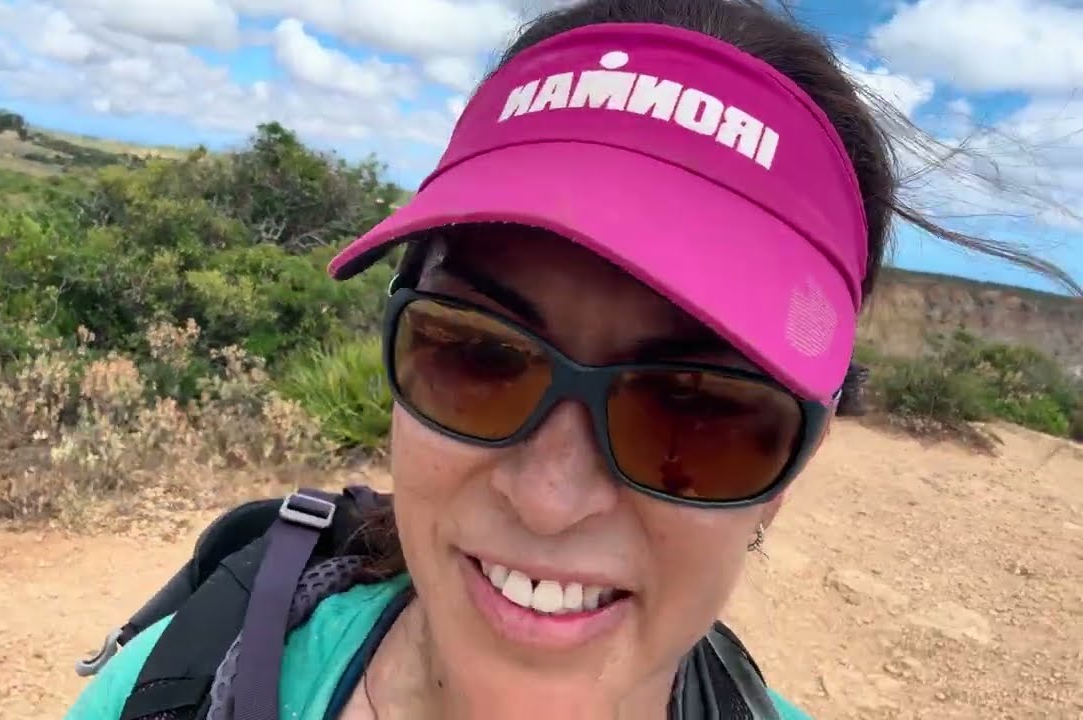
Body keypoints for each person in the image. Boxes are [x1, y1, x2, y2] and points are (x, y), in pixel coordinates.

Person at [65, 1, 1075, 719]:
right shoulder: (187, 680)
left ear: (785, 475)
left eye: (695, 412)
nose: (550, 499)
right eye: (475, 356)